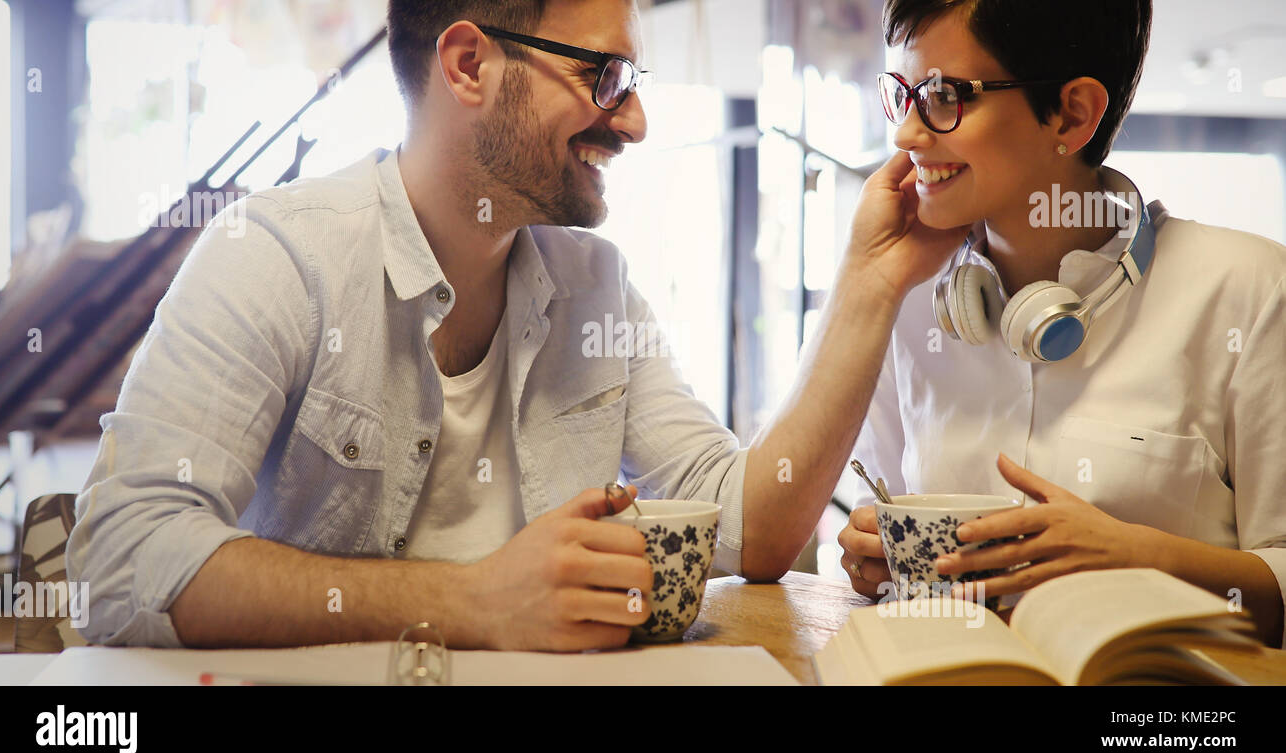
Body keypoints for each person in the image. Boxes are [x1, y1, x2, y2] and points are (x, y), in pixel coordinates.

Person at [67, 0, 967, 650]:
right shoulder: (275, 256)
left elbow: (752, 526)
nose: (639, 122)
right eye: (605, 77)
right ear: (467, 65)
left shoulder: (594, 286)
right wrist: (471, 599)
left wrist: (870, 280)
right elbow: (122, 555)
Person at [837, 0, 1286, 647]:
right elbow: (879, 512)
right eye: (901, 93)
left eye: (941, 96)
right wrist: (872, 554)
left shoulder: (1250, 288)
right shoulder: (910, 302)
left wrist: (1139, 556)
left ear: (1073, 113)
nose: (907, 134)